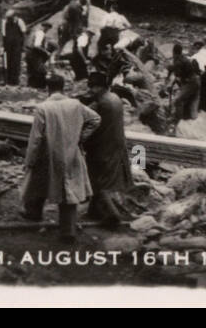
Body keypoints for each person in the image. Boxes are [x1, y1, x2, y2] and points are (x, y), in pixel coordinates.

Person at [20, 75, 101, 242]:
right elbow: (95, 119)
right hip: (71, 153)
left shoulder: (43, 108)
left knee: (36, 180)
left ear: (47, 88)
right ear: (63, 87)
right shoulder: (76, 104)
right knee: (68, 190)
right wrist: (80, 137)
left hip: (49, 154)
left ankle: (34, 213)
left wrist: (29, 160)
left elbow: (36, 138)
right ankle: (67, 230)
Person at [80, 71, 133, 228]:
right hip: (115, 143)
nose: (91, 90)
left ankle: (112, 216)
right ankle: (94, 211)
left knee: (98, 181)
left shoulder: (101, 103)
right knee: (101, 178)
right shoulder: (115, 98)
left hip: (102, 146)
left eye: (93, 87)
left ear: (100, 87)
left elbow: (85, 116)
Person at [169, 43, 201, 120]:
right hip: (195, 82)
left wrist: (171, 69)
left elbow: (178, 76)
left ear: (174, 52)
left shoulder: (178, 61)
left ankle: (178, 120)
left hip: (190, 83)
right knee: (189, 104)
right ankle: (187, 118)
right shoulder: (183, 58)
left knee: (178, 100)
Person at [25, 22, 53, 89]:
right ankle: (40, 87)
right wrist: (46, 52)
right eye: (47, 29)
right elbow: (37, 45)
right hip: (34, 54)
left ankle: (31, 86)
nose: (47, 30)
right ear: (45, 27)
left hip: (29, 52)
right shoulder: (41, 34)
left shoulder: (36, 32)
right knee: (40, 71)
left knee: (31, 70)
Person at [3, 11, 27, 85]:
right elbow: (4, 34)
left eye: (10, 18)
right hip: (8, 45)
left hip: (17, 45)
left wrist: (22, 45)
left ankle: (15, 81)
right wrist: (4, 45)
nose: (9, 19)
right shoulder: (5, 22)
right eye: (8, 18)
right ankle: (7, 80)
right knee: (7, 61)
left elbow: (23, 33)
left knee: (15, 62)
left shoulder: (19, 21)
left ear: (14, 16)